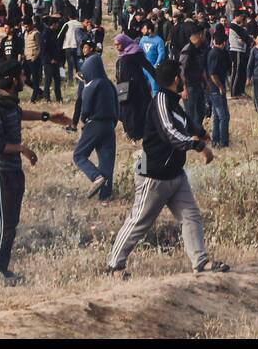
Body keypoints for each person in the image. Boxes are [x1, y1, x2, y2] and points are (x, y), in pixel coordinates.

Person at [105, 61, 229, 276]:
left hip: (175, 174)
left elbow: (184, 121)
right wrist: (198, 146)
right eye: (180, 75)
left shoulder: (172, 101)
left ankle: (200, 263)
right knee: (139, 222)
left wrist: (199, 131)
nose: (183, 78)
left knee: (191, 216)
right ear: (175, 80)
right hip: (153, 175)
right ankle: (114, 265)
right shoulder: (161, 100)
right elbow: (170, 133)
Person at [0, 58, 68, 284]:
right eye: (21, 76)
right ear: (11, 79)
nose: (24, 79)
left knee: (10, 220)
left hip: (10, 169)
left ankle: (1, 267)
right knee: (4, 220)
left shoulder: (8, 102)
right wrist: (22, 149)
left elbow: (19, 113)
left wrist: (48, 116)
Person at [73, 52, 118, 200]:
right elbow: (117, 106)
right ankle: (105, 197)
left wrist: (83, 120)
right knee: (107, 161)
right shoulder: (109, 84)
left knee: (79, 155)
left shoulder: (92, 85)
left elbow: (85, 107)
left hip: (95, 124)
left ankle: (96, 176)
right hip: (110, 125)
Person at [206, 27, 231, 147]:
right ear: (224, 43)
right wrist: (221, 86)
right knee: (224, 116)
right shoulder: (215, 54)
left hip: (213, 89)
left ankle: (215, 140)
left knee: (216, 116)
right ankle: (223, 142)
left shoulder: (216, 53)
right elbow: (213, 74)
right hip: (216, 89)